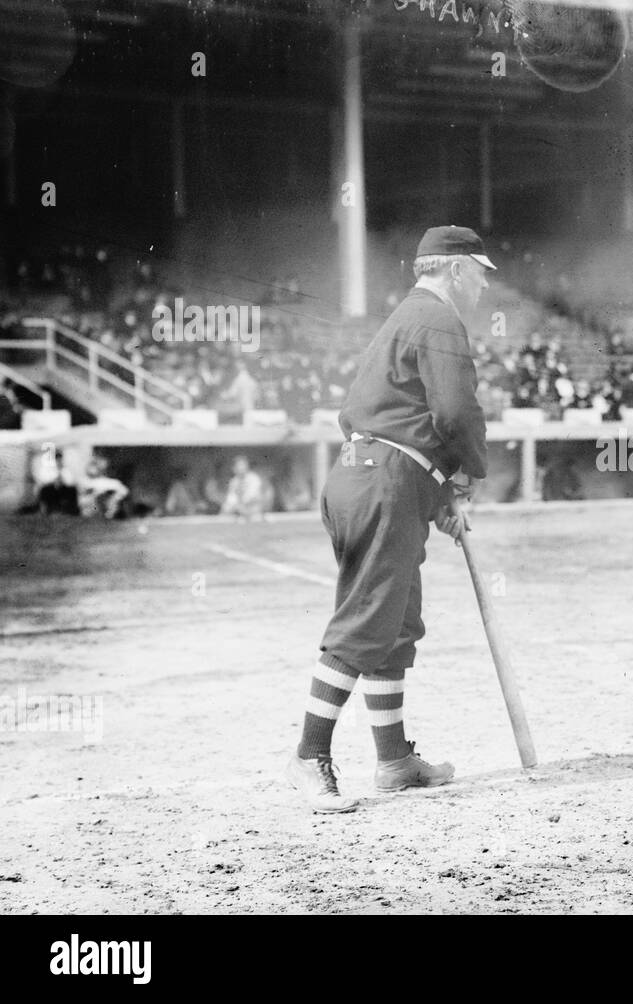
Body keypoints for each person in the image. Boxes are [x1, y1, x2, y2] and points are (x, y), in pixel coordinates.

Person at [287, 226, 493, 813]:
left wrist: (438, 495)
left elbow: (400, 425)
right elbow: (453, 413)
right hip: (383, 482)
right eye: (479, 270)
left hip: (380, 476)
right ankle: (309, 754)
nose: (483, 283)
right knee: (367, 621)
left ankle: (394, 760)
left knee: (396, 624)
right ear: (455, 269)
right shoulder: (438, 317)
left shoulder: (410, 315)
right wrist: (469, 475)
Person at [219, 455, 267, 520]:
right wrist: (233, 506)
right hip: (238, 509)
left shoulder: (254, 478)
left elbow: (252, 497)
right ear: (234, 468)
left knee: (255, 513)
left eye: (243, 465)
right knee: (225, 510)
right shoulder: (234, 481)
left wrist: (240, 506)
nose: (241, 468)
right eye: (238, 465)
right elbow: (231, 499)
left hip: (253, 509)